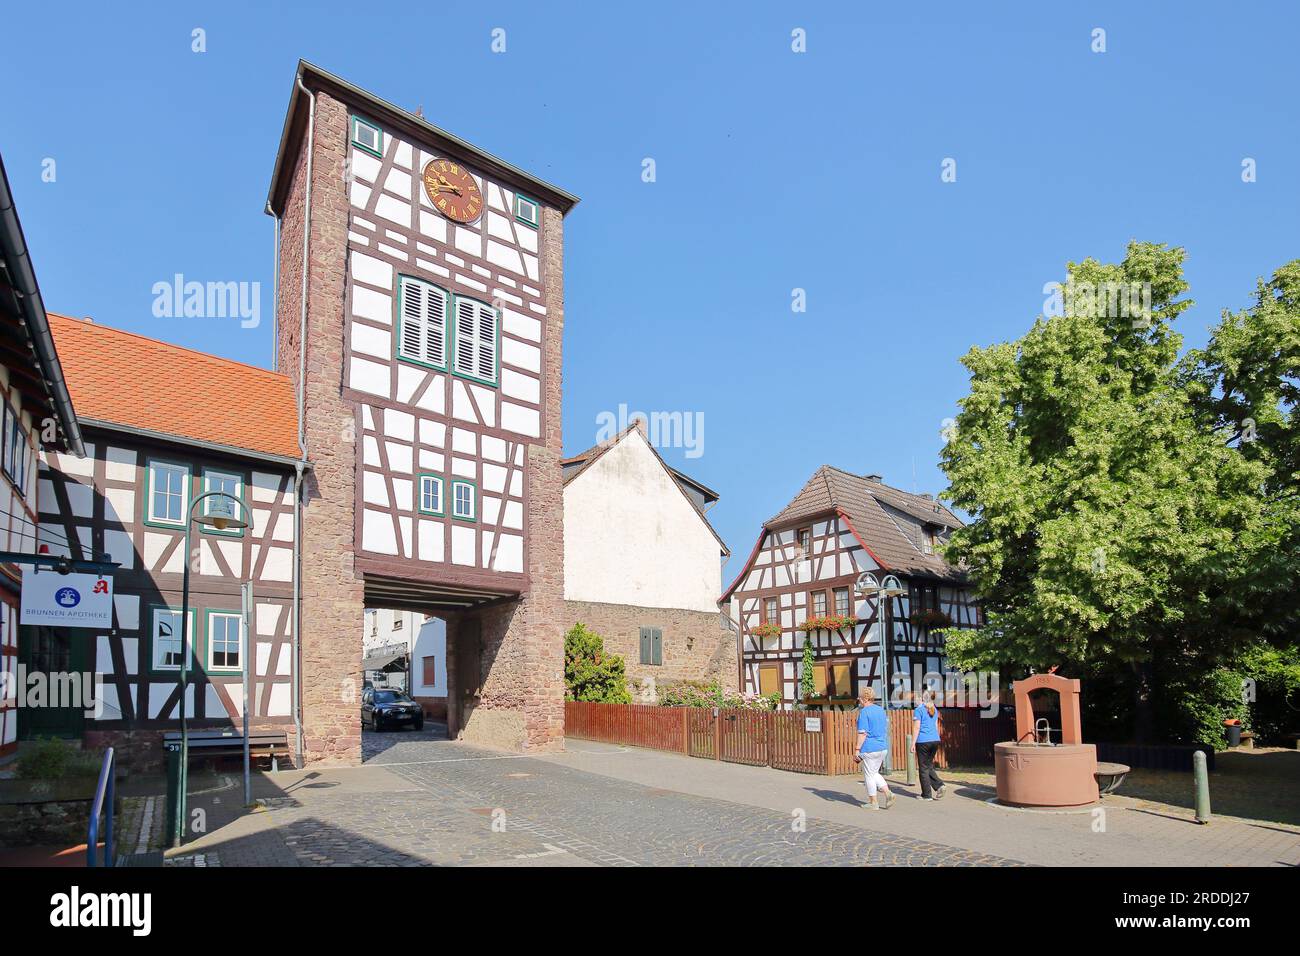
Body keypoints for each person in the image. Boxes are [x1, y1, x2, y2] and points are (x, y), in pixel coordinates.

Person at [854, 686, 893, 809]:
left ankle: (873, 802)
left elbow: (863, 733)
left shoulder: (864, 712)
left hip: (870, 747)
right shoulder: (880, 710)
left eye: (860, 697)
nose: (859, 699)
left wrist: (857, 749)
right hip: (882, 746)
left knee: (869, 775)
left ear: (864, 699)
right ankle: (888, 793)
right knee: (874, 772)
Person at [912, 689, 945, 800]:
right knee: (928, 765)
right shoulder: (934, 709)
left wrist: (913, 743)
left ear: (921, 699)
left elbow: (917, 727)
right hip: (935, 740)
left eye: (916, 698)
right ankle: (939, 785)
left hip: (923, 741)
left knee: (923, 768)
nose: (914, 700)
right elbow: (935, 726)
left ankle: (926, 795)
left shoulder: (918, 710)